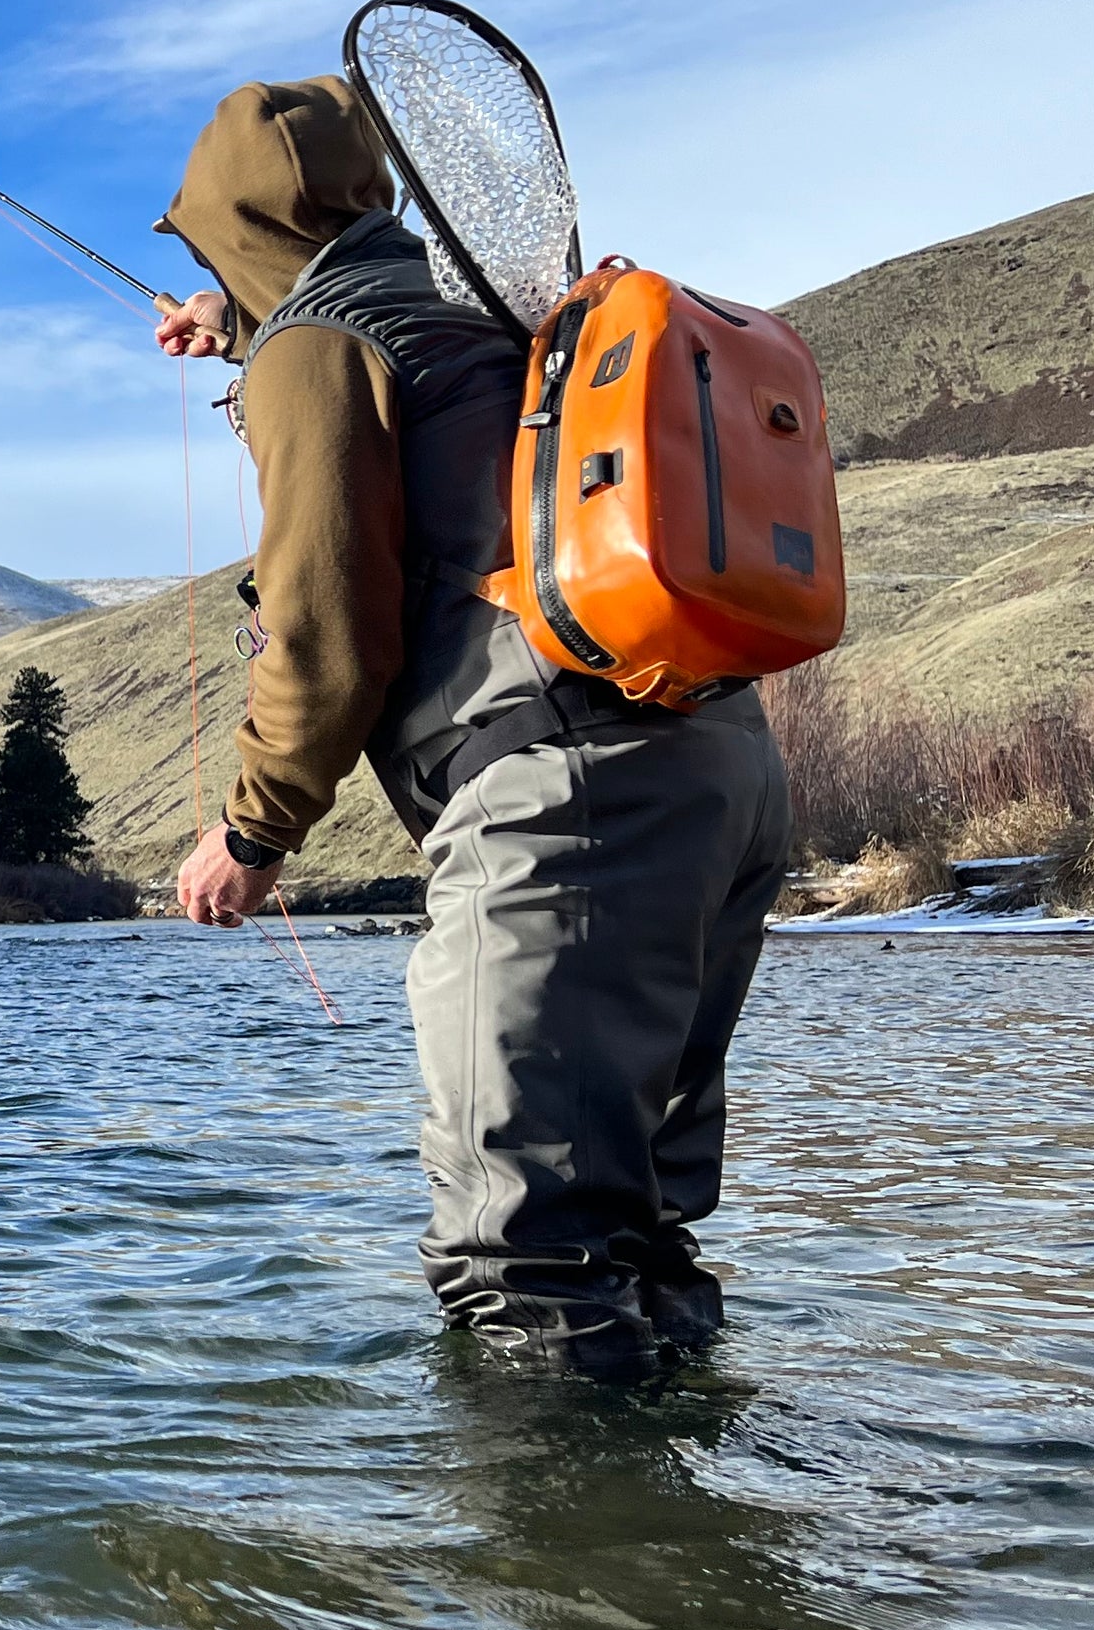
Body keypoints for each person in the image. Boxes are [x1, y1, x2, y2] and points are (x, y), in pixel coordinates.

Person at [153, 77, 790, 1378]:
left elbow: (329, 635)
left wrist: (250, 829)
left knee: (529, 1270)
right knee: (633, 1235)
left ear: (237, 225)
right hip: (718, 776)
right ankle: (715, 1543)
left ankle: (573, 1575)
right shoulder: (482, 298)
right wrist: (244, 324)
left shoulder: (316, 348)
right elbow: (404, 380)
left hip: (566, 805)